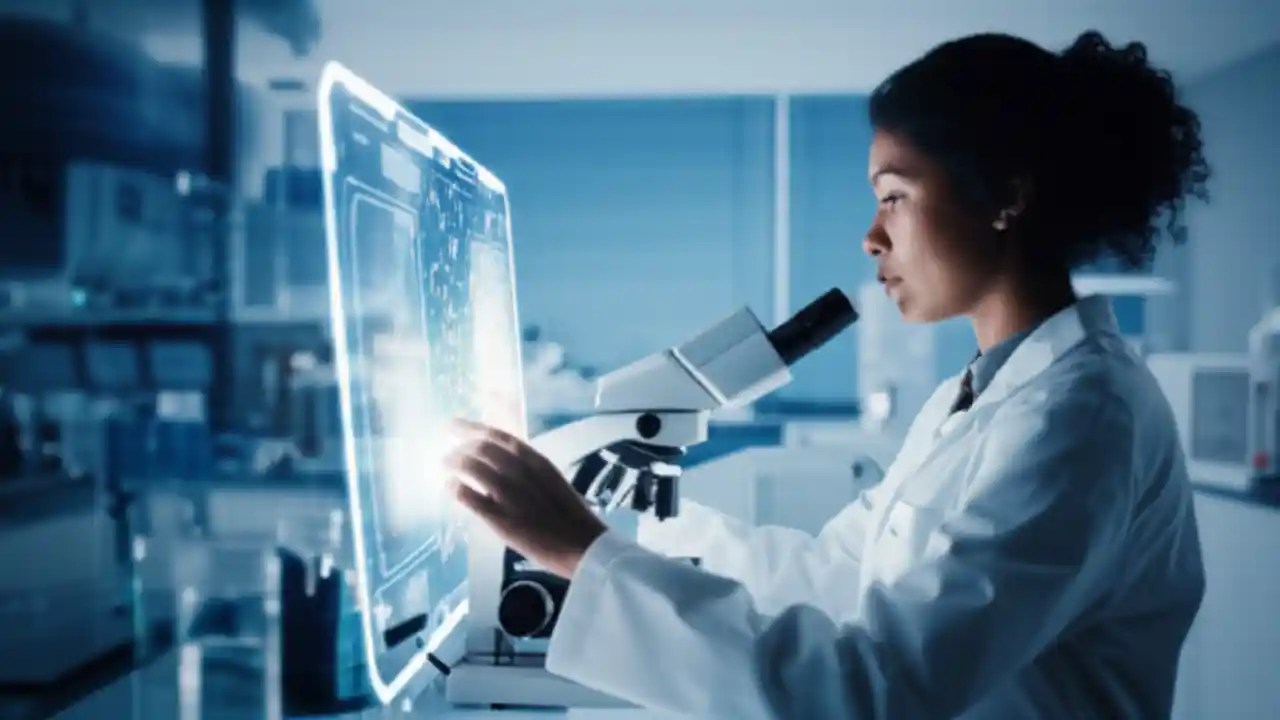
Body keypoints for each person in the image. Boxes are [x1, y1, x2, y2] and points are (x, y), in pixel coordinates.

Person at [446, 29, 1210, 719]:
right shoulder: (978, 393)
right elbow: (839, 572)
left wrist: (585, 554)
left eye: (895, 197)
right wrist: (631, 530)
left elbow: (878, 688)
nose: (871, 235)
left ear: (1006, 194)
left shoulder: (1082, 415)